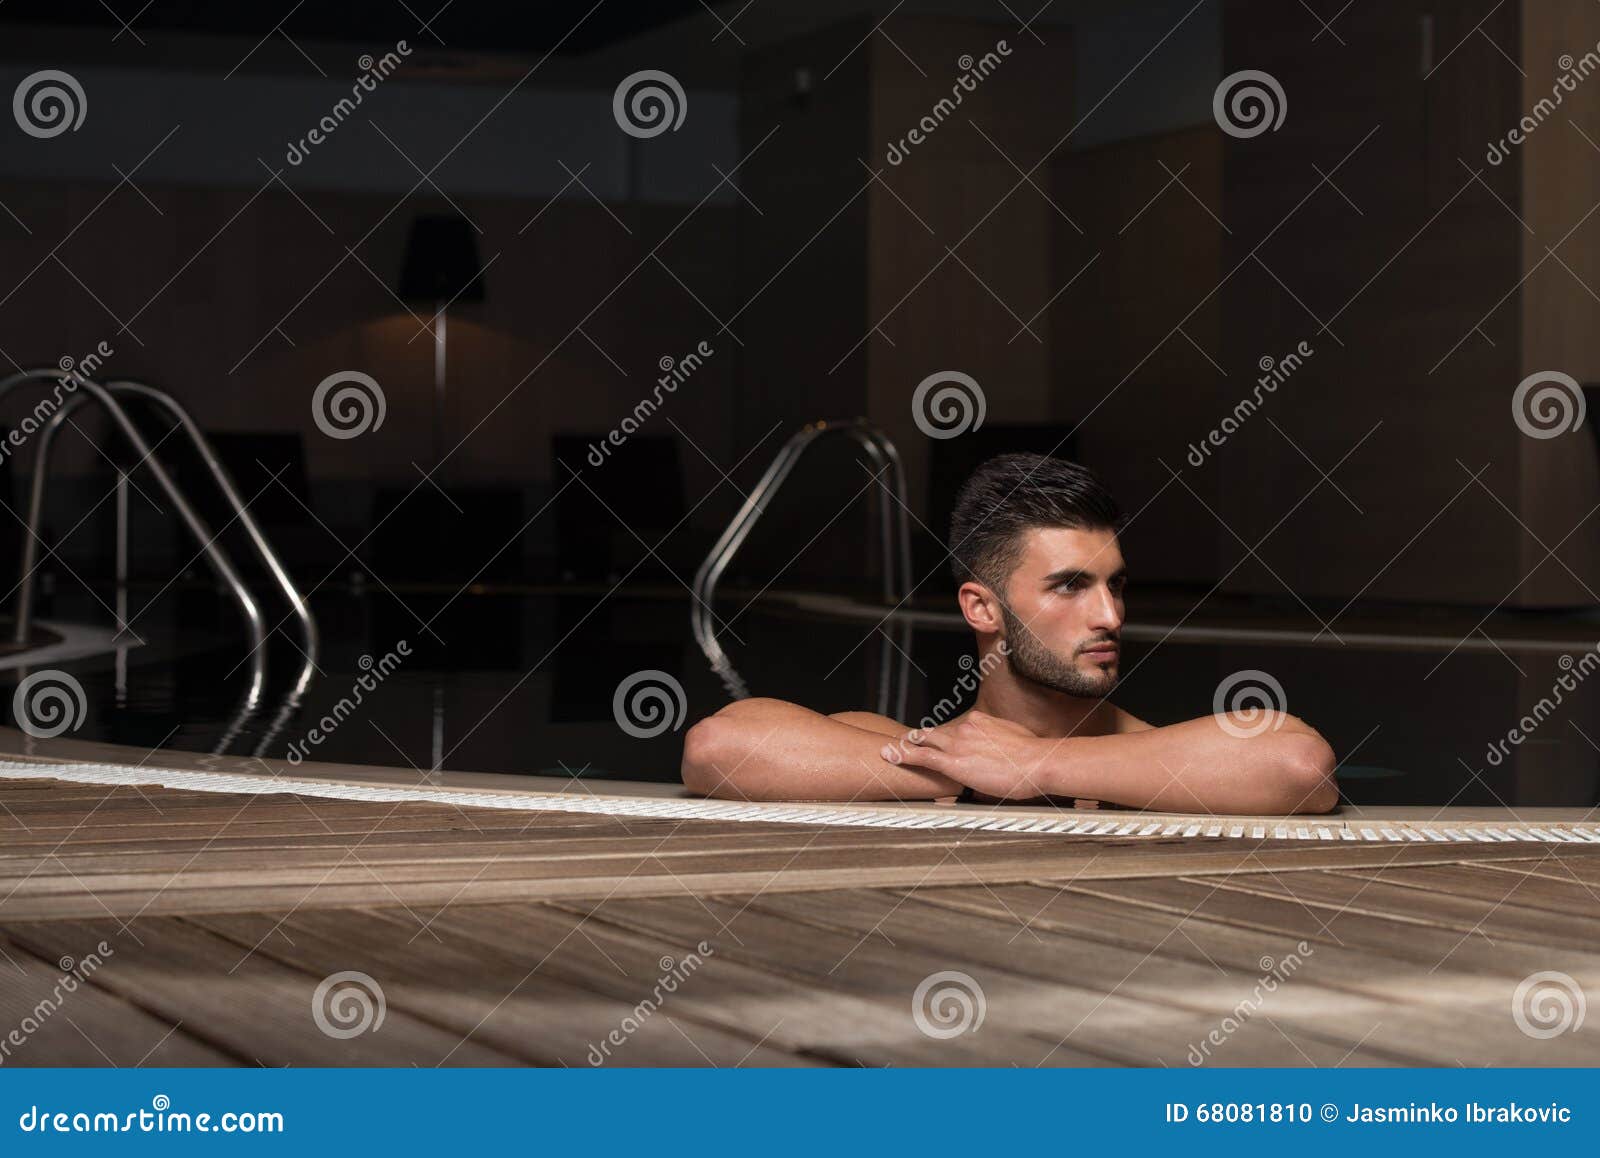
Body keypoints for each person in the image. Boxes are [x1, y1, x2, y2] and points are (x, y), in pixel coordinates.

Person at [680, 453, 1339, 815]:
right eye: (1070, 586)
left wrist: (1032, 767)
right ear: (981, 609)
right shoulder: (921, 755)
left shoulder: (1157, 756)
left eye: (1115, 585)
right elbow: (718, 747)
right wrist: (964, 776)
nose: (1110, 615)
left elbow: (1296, 765)